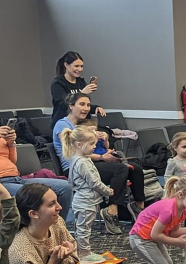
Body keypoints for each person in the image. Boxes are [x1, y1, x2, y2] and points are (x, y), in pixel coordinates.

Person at [0, 88, 73, 219]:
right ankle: (36, 228)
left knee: (64, 187)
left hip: (15, 178)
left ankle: (57, 227)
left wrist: (10, 144)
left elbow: (12, 161)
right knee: (38, 196)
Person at [52, 92, 137, 230]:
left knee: (135, 168)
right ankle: (112, 211)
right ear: (71, 106)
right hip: (76, 167)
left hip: (90, 161)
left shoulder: (84, 124)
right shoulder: (63, 125)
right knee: (121, 169)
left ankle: (138, 208)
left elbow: (93, 148)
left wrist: (104, 145)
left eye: (88, 105)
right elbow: (74, 153)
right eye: (82, 104)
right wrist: (102, 157)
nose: (86, 108)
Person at [59, 127, 115, 264]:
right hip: (86, 201)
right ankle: (84, 254)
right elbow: (94, 182)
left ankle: (82, 251)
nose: (94, 146)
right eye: (91, 144)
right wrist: (107, 191)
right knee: (84, 229)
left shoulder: (78, 159)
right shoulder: (83, 162)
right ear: (79, 144)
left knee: (82, 228)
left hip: (85, 199)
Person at [50, 51, 104, 126]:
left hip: (82, 124)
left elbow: (82, 105)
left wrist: (95, 108)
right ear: (66, 65)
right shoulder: (58, 83)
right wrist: (82, 93)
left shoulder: (80, 82)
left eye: (81, 66)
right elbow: (63, 104)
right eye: (76, 66)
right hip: (65, 123)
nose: (80, 69)